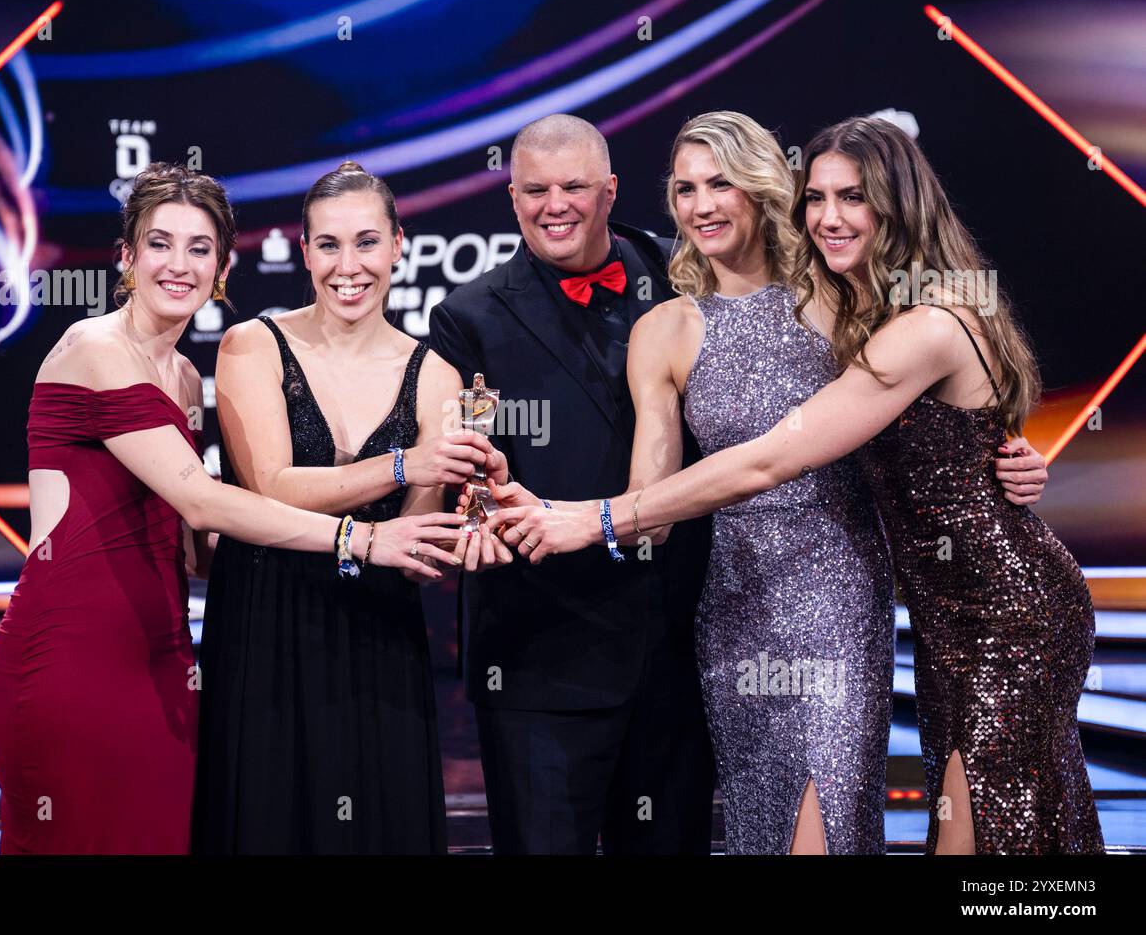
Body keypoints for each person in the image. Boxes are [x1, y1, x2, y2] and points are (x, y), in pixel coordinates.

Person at [490, 117, 1104, 855]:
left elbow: (786, 455)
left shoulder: (852, 305)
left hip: (845, 598)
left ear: (761, 190)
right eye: (684, 188)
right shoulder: (666, 328)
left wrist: (1008, 458)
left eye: (721, 183)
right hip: (738, 607)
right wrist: (562, 512)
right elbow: (654, 506)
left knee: (861, 825)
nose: (701, 204)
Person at [0, 163, 463, 854]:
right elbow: (204, 502)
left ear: (222, 266)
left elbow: (189, 543)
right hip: (73, 659)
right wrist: (361, 538)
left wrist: (469, 524)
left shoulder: (182, 376)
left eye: (199, 248)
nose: (179, 265)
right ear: (126, 256)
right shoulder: (95, 347)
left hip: (162, 660)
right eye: (159, 243)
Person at [428, 114, 714, 854]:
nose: (554, 205)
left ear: (611, 191)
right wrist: (479, 509)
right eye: (535, 190)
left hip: (673, 650)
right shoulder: (467, 318)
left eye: (574, 187)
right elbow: (469, 457)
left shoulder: (684, 276)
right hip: (536, 660)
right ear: (512, 198)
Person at [192, 162, 497, 854]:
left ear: (398, 246)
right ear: (304, 253)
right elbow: (270, 485)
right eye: (328, 245)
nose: (347, 266)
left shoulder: (438, 376)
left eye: (366, 242)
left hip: (376, 639)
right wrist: (403, 465)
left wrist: (478, 517)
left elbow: (416, 547)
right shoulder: (253, 344)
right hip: (263, 628)